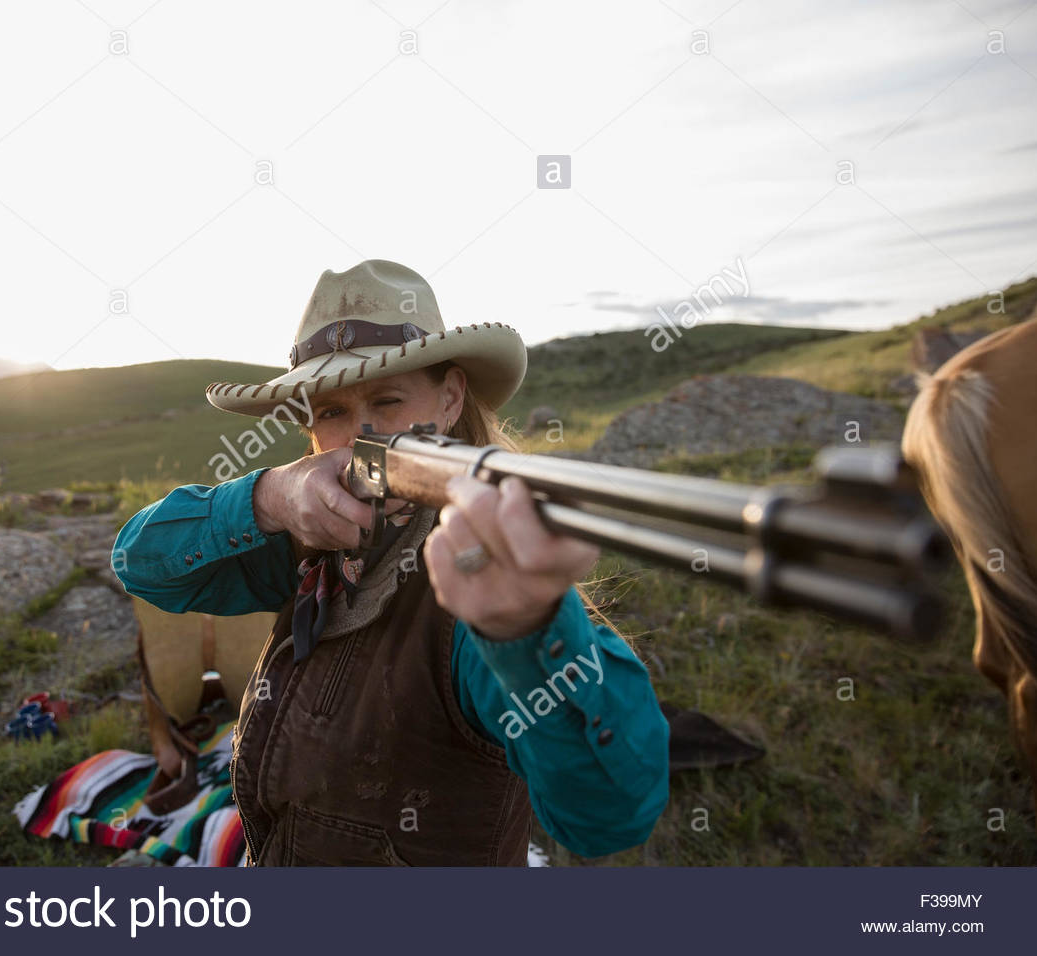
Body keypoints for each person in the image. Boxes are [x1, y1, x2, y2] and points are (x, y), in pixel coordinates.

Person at [112, 259, 669, 865]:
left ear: (451, 398)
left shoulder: (473, 597)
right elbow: (140, 563)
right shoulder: (315, 539)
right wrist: (269, 498)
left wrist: (527, 629)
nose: (362, 437)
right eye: (332, 412)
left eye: (388, 400)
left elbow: (609, 819)